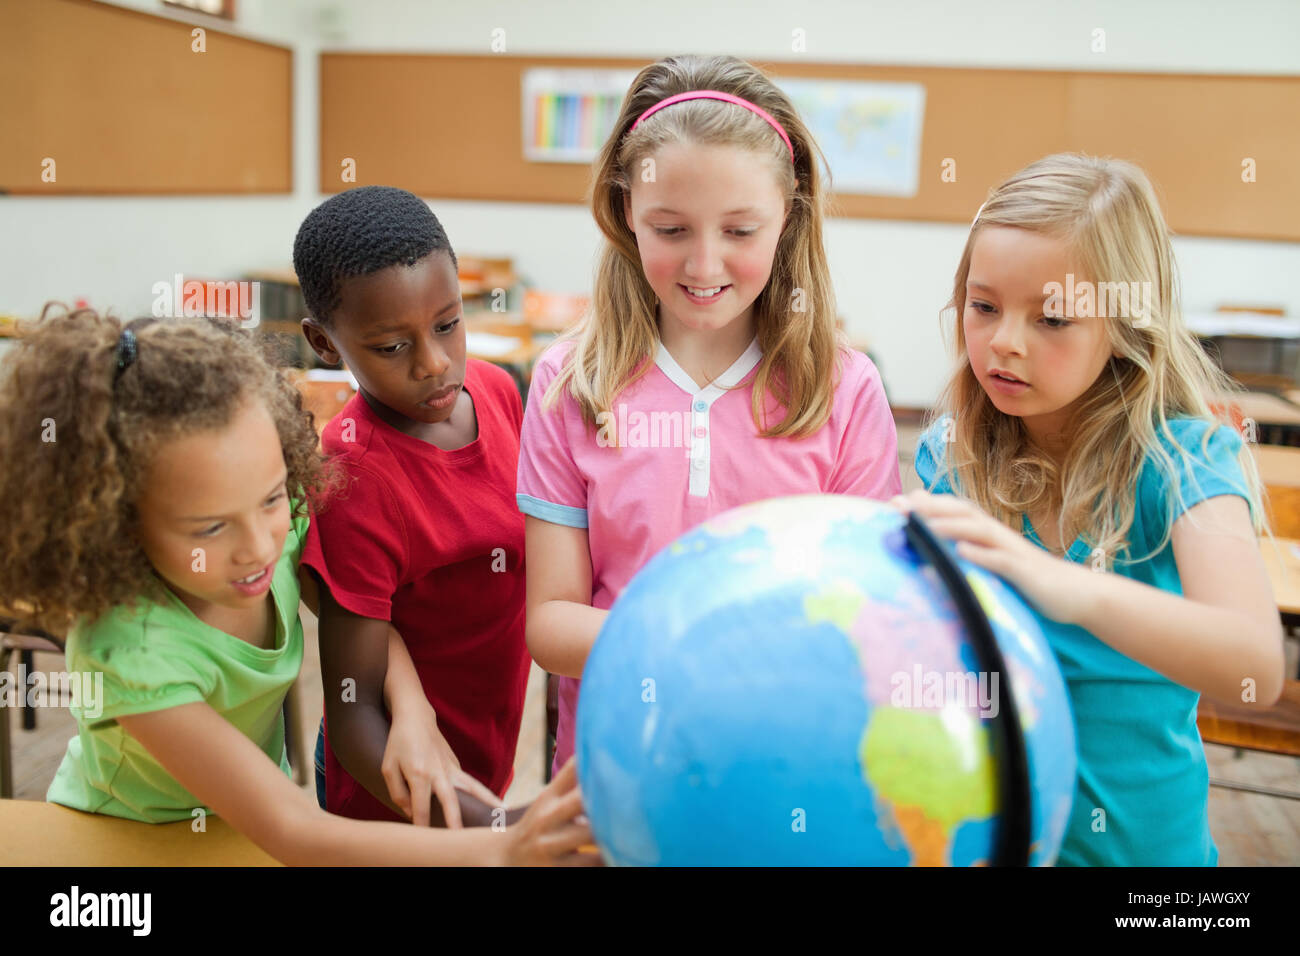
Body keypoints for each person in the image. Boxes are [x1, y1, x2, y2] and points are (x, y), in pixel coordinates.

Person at [0, 305, 593, 865]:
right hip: (128, 840)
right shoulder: (130, 652)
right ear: (116, 521)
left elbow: (353, 612)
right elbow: (293, 828)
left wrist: (412, 709)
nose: (258, 545)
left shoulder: (281, 533)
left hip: (237, 825)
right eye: (210, 527)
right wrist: (501, 848)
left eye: (269, 499)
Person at [897, 153, 1285, 866]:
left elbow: (1253, 667)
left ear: (1125, 325)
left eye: (1052, 318)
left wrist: (1067, 588)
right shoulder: (951, 451)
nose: (1005, 342)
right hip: (987, 840)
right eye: (984, 307)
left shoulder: (1185, 461)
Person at [519, 54, 902, 777]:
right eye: (670, 229)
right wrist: (705, 648)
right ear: (626, 209)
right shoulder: (567, 385)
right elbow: (550, 622)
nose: (703, 264)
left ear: (788, 218)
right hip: (619, 765)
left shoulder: (844, 390)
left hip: (785, 763)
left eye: (739, 231)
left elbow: (865, 609)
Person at [295, 186, 533, 827]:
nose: (434, 364)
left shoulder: (493, 386)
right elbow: (354, 712)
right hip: (391, 799)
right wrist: (496, 831)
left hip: (482, 760)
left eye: (448, 325)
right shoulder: (353, 479)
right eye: (392, 347)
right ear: (324, 343)